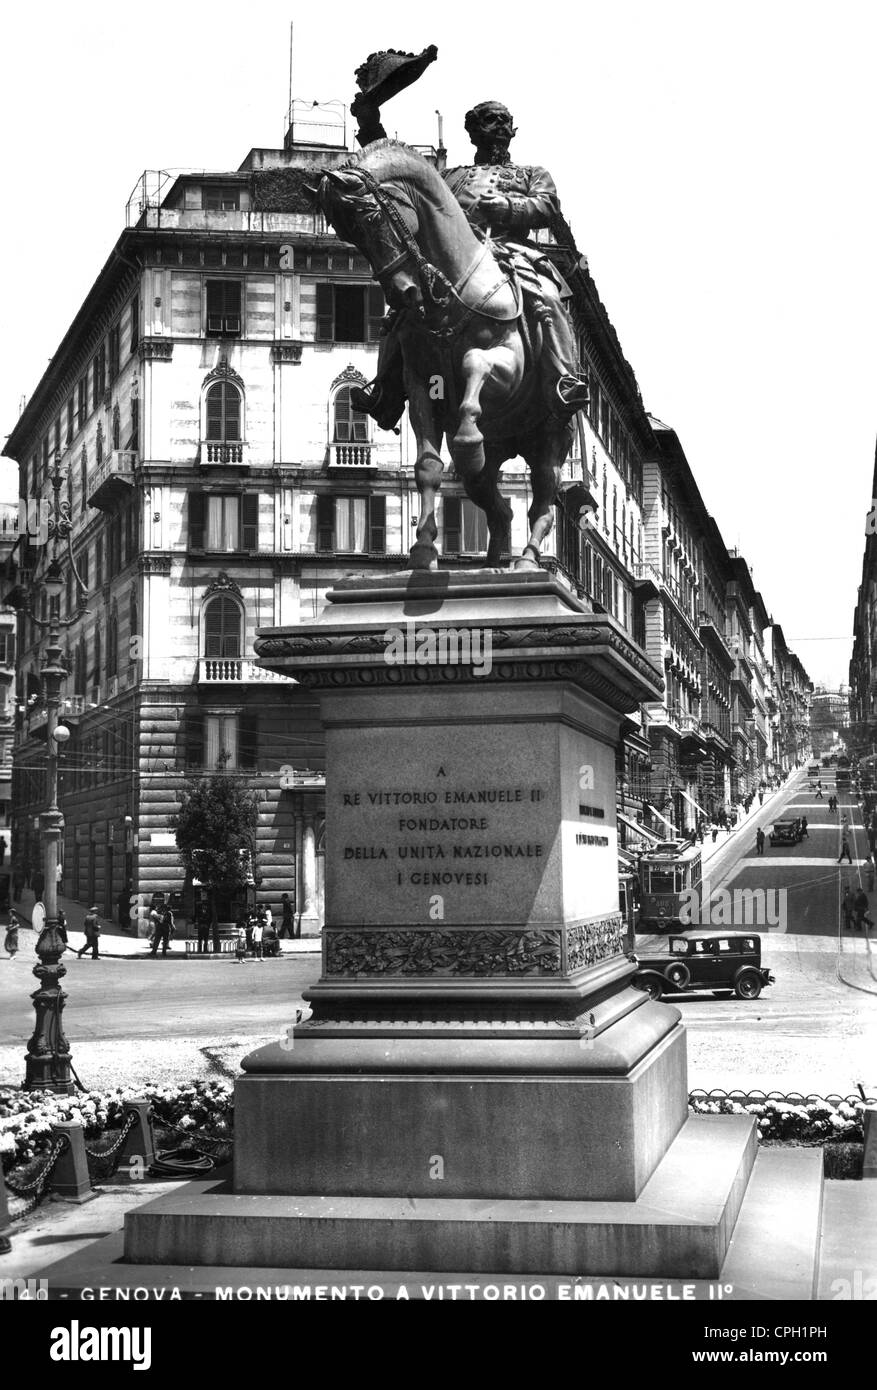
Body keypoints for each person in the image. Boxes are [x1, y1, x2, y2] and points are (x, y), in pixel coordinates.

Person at [350, 97, 590, 431]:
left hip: (511, 251)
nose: (501, 126)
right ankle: (386, 391)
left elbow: (546, 205)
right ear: (474, 131)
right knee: (401, 315)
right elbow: (402, 167)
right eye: (492, 120)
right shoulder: (451, 177)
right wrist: (369, 123)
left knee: (547, 297)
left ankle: (562, 380)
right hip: (456, 259)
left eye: (506, 120)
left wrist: (506, 207)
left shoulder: (531, 173)